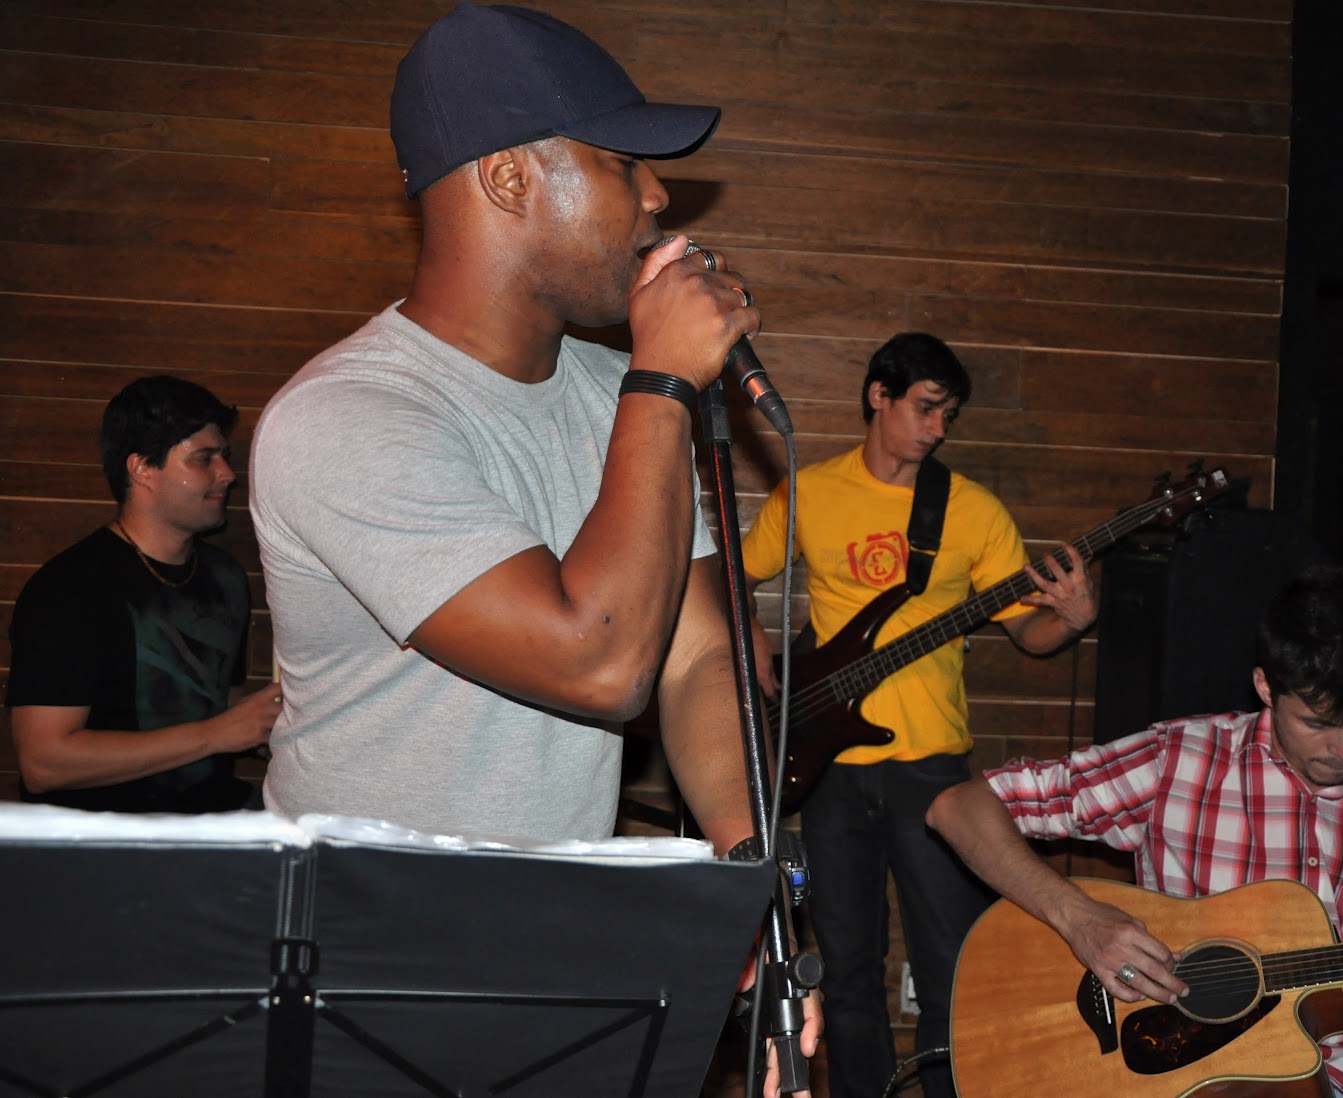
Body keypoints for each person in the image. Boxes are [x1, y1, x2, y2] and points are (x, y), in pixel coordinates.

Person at [247, 6, 817, 1092]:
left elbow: (700, 661)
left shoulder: (620, 392)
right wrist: (662, 382)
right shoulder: (348, 416)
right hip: (367, 974)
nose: (658, 197)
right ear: (509, 180)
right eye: (619, 161)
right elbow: (596, 666)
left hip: (558, 954)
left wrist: (745, 888)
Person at [926, 566, 1343, 1098]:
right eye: (1318, 723)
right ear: (1266, 687)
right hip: (1191, 1077)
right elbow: (960, 808)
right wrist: (1080, 917)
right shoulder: (1181, 760)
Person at [740, 332, 1100, 1098]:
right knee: (846, 975)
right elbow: (731, 576)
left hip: (933, 772)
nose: (939, 428)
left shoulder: (970, 510)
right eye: (927, 408)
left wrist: (1069, 619)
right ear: (879, 395)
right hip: (829, 768)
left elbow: (1028, 636)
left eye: (949, 415)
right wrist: (754, 641)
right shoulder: (810, 492)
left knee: (951, 973)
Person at [7, 375, 279, 813]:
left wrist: (270, 722)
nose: (227, 474)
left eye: (224, 457)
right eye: (203, 458)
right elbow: (44, 763)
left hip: (212, 827)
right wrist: (219, 734)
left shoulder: (225, 576)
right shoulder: (71, 587)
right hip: (102, 846)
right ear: (142, 469)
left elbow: (209, 699)